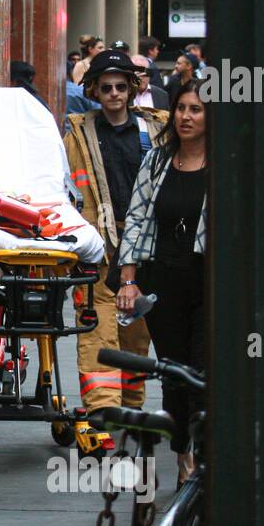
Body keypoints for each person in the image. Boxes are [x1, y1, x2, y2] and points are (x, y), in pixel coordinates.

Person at [64, 49, 167, 415]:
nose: (113, 94)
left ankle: (133, 408)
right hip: (98, 250)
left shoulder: (155, 129)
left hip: (143, 248)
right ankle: (102, 413)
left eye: (121, 86)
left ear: (132, 89)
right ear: (94, 89)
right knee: (96, 333)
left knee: (136, 337)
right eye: (105, 87)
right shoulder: (77, 134)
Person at [116, 82, 208, 485]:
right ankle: (184, 455)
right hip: (164, 280)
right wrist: (128, 280)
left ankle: (207, 452)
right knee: (173, 370)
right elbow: (135, 220)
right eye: (181, 108)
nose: (186, 116)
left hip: (209, 282)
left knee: (204, 370)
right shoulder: (156, 161)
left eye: (197, 110)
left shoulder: (225, 163)